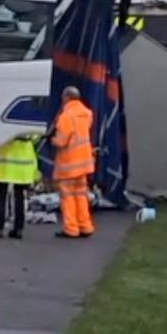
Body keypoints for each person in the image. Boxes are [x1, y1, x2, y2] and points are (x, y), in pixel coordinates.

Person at [51, 86, 96, 239]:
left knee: (68, 197)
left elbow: (61, 141)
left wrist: (52, 139)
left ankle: (71, 229)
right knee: (81, 195)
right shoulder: (87, 114)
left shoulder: (66, 116)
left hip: (69, 165)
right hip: (84, 163)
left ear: (66, 98)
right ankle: (85, 226)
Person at [0, 135, 39, 239]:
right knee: (19, 197)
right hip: (23, 162)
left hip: (2, 161)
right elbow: (36, 136)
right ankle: (18, 229)